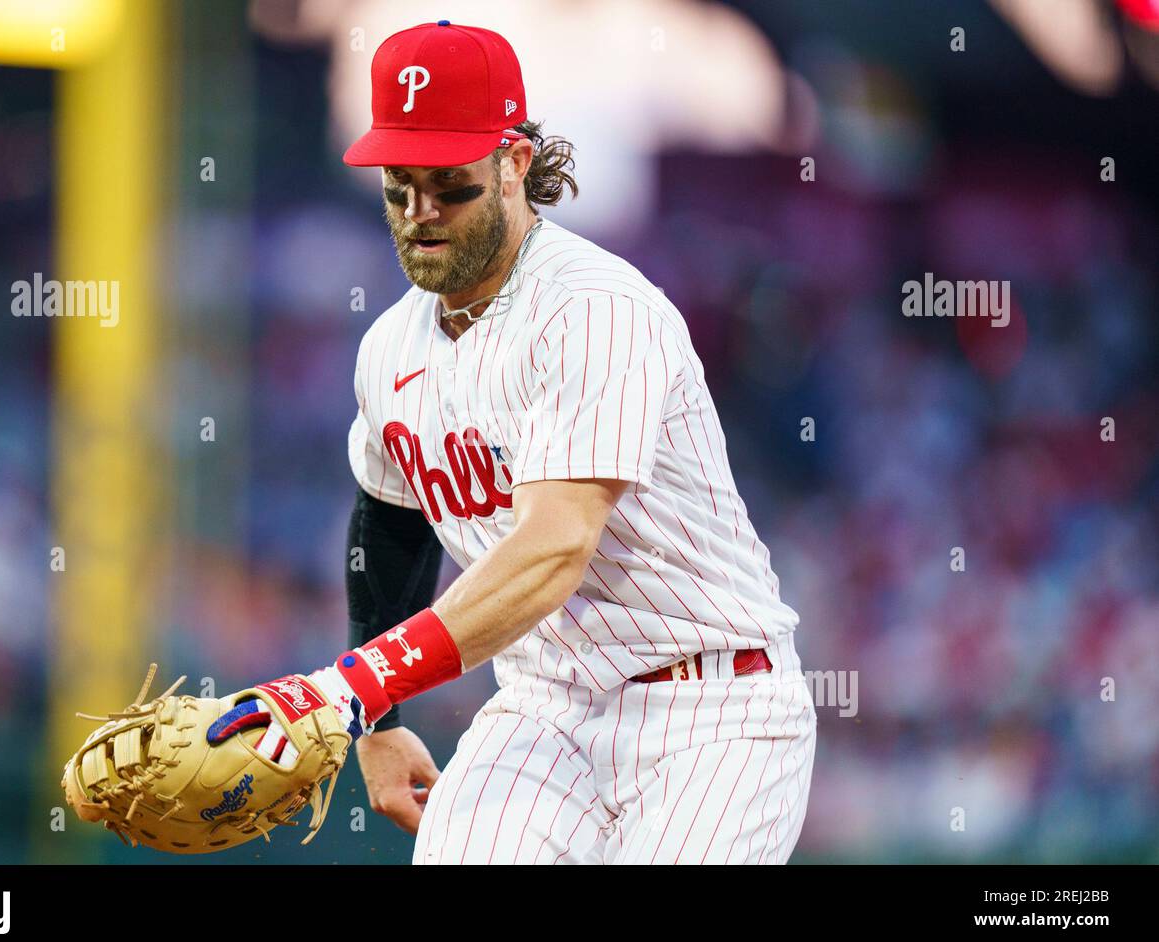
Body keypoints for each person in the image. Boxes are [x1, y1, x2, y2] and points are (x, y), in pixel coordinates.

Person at [227, 20, 815, 865]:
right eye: (400, 186)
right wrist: (381, 727)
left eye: (449, 185)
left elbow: (553, 549)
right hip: (543, 705)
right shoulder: (390, 349)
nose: (421, 214)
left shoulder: (596, 310)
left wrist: (349, 690)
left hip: (712, 709)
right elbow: (391, 526)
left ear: (514, 162)